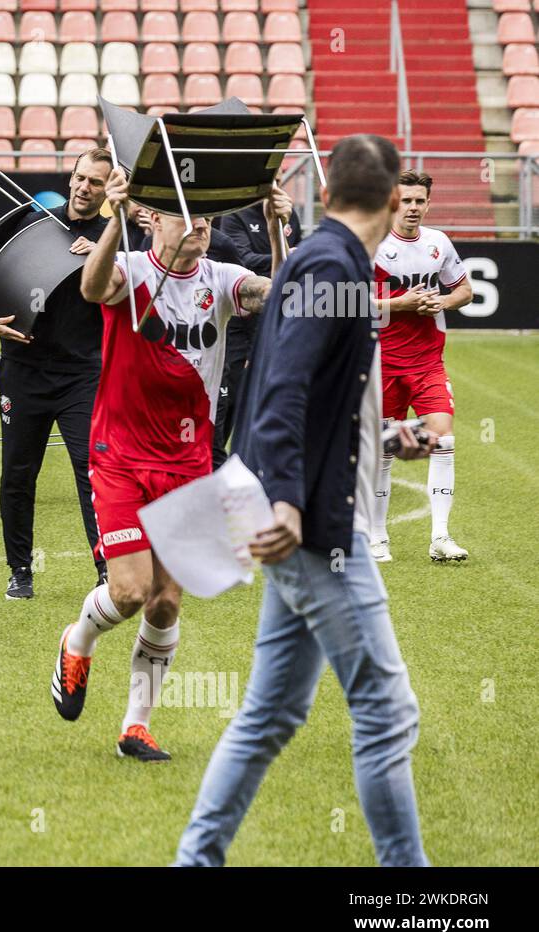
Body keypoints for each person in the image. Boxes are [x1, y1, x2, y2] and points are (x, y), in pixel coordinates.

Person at [176, 135, 433, 867]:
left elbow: (319, 399)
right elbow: (282, 387)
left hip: (294, 513)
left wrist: (389, 436)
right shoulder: (332, 265)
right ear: (392, 201)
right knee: (388, 711)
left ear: (327, 194)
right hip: (309, 527)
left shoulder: (325, 260)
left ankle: (195, 860)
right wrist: (287, 503)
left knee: (270, 713)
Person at [51, 167, 289, 762]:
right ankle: (77, 640)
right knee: (129, 592)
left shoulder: (223, 278)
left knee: (166, 600)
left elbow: (282, 297)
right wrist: (111, 216)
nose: (202, 224)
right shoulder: (130, 269)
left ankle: (137, 726)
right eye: (187, 213)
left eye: (207, 216)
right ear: (151, 219)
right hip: (121, 455)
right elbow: (90, 287)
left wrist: (277, 228)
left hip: (188, 461)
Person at [0, 148, 113, 598]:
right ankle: (20, 570)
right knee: (18, 474)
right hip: (23, 372)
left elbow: (137, 292)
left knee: (92, 471)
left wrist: (105, 255)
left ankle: (106, 570)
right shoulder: (33, 223)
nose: (83, 188)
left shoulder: (117, 237)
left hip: (83, 374)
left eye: (95, 183)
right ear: (70, 177)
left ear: (106, 190)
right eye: (80, 178)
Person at [369, 170, 473, 563]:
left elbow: (464, 290)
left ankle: (441, 537)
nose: (413, 207)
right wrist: (401, 304)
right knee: (384, 451)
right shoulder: (373, 245)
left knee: (443, 442)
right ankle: (378, 538)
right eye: (406, 200)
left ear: (428, 204)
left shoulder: (438, 243)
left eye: (419, 201)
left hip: (428, 361)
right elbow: (350, 303)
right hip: (381, 363)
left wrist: (441, 303)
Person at [212, 170, 302, 467]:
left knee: (271, 402)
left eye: (276, 175)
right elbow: (245, 261)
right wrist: (289, 254)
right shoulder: (234, 215)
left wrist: (286, 243)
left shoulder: (288, 214)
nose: (271, 181)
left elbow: (292, 270)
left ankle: (249, 468)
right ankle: (216, 462)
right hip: (239, 322)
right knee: (233, 400)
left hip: (276, 318)